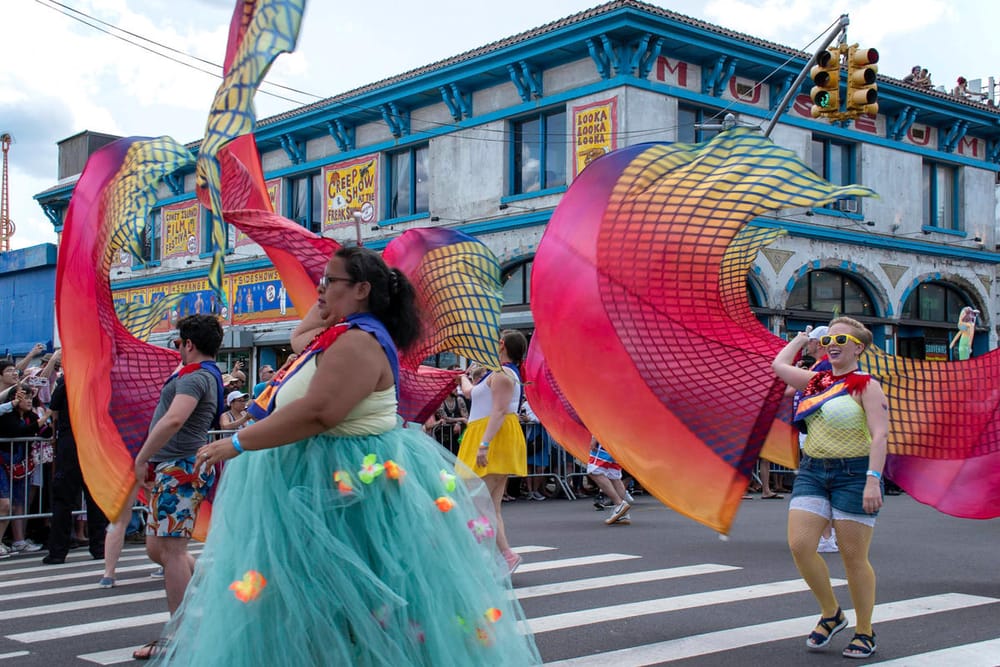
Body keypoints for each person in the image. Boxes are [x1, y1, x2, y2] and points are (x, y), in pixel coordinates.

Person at [148, 247, 540, 665]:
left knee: (348, 601)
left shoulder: (359, 343)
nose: (321, 288)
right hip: (322, 479)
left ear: (361, 290)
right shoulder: (345, 335)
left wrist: (238, 442)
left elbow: (320, 411)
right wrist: (321, 309)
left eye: (330, 281)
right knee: (314, 600)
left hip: (345, 487)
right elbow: (302, 344)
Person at [772, 317, 888, 659]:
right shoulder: (816, 381)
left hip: (853, 473)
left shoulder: (866, 385)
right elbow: (779, 365)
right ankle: (832, 613)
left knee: (854, 558)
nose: (832, 344)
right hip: (812, 470)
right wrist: (801, 338)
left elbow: (880, 435)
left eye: (841, 339)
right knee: (800, 545)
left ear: (858, 348)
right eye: (828, 340)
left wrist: (872, 479)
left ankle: (865, 630)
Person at [130, 314, 225, 660]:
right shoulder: (199, 374)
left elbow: (174, 419)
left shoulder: (197, 377)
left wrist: (143, 457)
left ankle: (179, 636)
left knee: (169, 552)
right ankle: (214, 593)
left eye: (179, 344)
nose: (177, 350)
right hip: (177, 468)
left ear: (189, 344)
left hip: (180, 469)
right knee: (160, 549)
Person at [456, 329, 530, 573]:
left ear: (501, 344)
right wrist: (461, 377)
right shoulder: (495, 373)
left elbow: (499, 412)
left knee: (474, 503)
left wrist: (484, 445)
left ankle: (486, 558)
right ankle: (504, 556)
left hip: (491, 437)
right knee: (488, 506)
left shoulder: (501, 375)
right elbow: (470, 394)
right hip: (486, 434)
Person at [42, 373, 109, 564]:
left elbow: (53, 407)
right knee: (94, 497)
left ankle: (58, 551)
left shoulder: (69, 379)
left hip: (71, 442)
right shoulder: (99, 379)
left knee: (63, 499)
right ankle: (98, 547)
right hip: (92, 441)